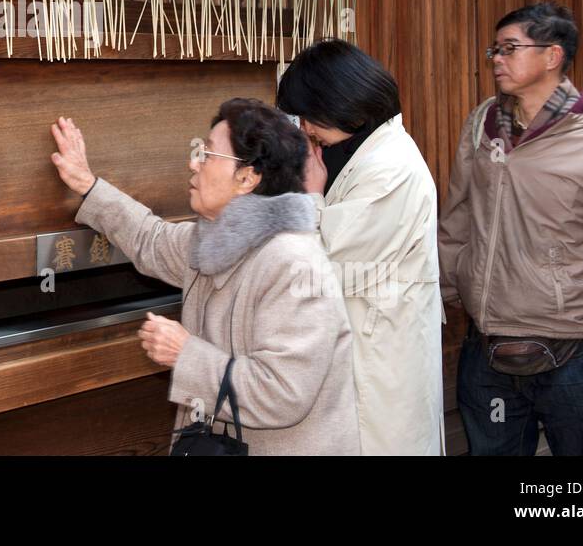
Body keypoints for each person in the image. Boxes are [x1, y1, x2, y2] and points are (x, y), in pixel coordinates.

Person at [49, 99, 360, 454]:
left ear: (247, 177)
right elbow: (151, 239)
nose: (192, 163)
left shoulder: (294, 263)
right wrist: (88, 185)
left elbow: (282, 394)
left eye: (207, 154)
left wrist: (185, 354)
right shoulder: (214, 238)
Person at [439, 1, 583, 455]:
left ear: (552, 55)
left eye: (509, 48)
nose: (497, 59)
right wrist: (443, 291)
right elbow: (457, 217)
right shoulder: (483, 123)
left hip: (573, 349)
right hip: (487, 342)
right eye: (494, 50)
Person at [277, 39, 444, 455]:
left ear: (340, 104)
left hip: (379, 360)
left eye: (309, 116)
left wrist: (312, 194)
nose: (305, 128)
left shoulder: (389, 170)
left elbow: (327, 266)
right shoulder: (358, 150)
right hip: (361, 348)